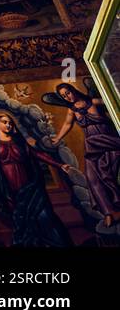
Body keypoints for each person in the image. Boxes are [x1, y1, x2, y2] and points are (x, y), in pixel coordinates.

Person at [0, 113, 72, 246]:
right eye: (5, 122)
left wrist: (59, 165)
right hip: (10, 189)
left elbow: (35, 153)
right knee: (23, 223)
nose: (8, 125)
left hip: (29, 186)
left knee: (45, 216)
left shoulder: (18, 139)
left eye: (10, 122)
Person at [45, 83, 120, 226]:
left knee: (106, 172)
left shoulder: (94, 101)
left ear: (73, 90)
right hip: (92, 145)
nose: (67, 96)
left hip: (109, 140)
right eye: (64, 96)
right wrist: (58, 138)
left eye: (68, 92)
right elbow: (67, 124)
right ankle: (108, 212)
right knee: (91, 178)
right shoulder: (71, 110)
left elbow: (113, 102)